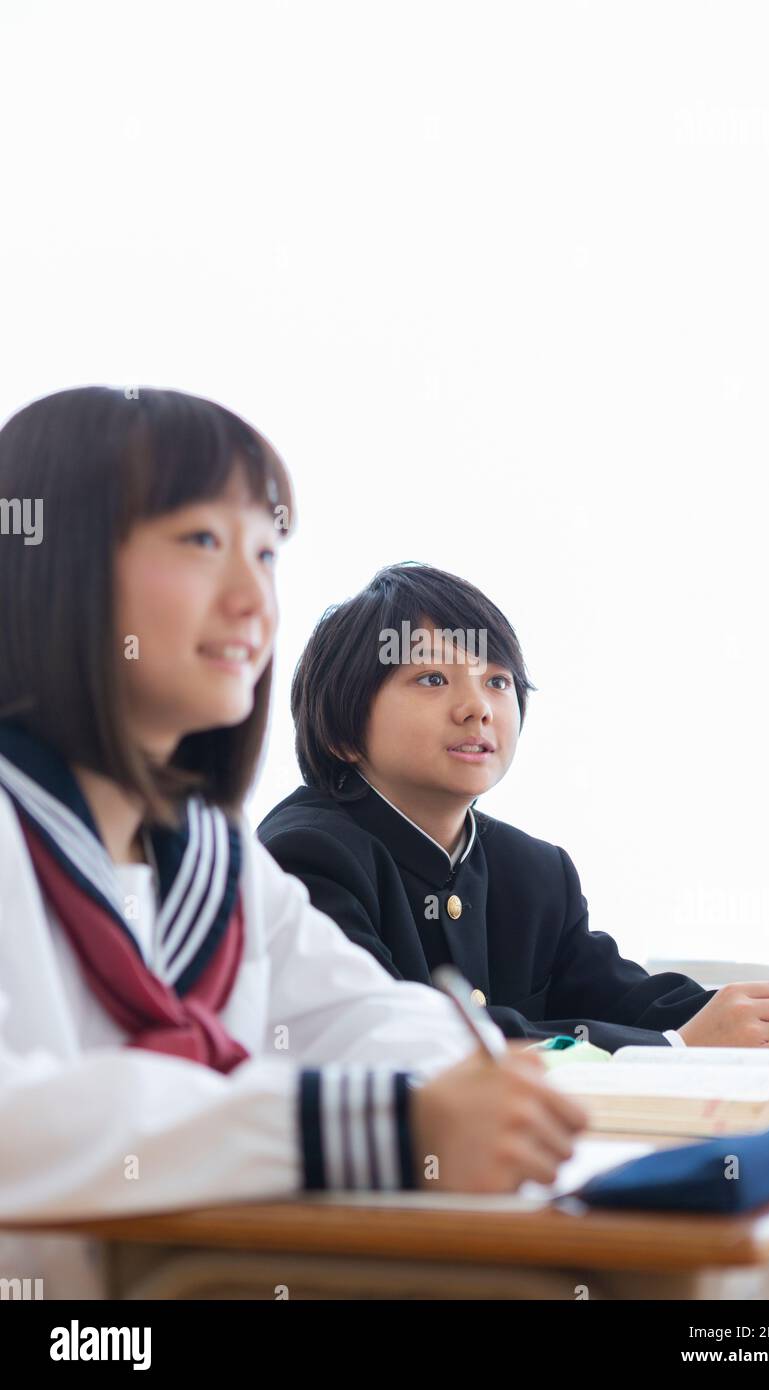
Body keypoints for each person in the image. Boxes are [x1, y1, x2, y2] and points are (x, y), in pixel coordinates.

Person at [0, 389, 585, 1298]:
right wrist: (377, 1126)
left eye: (266, 553)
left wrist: (474, 1091)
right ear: (54, 563)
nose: (252, 599)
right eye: (202, 541)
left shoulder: (215, 853)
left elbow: (357, 1016)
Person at [259, 562, 769, 1051]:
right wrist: (672, 1049)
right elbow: (404, 1042)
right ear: (341, 729)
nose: (479, 707)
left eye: (498, 681)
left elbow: (625, 996)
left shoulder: (534, 870)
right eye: (433, 680)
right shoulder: (305, 854)